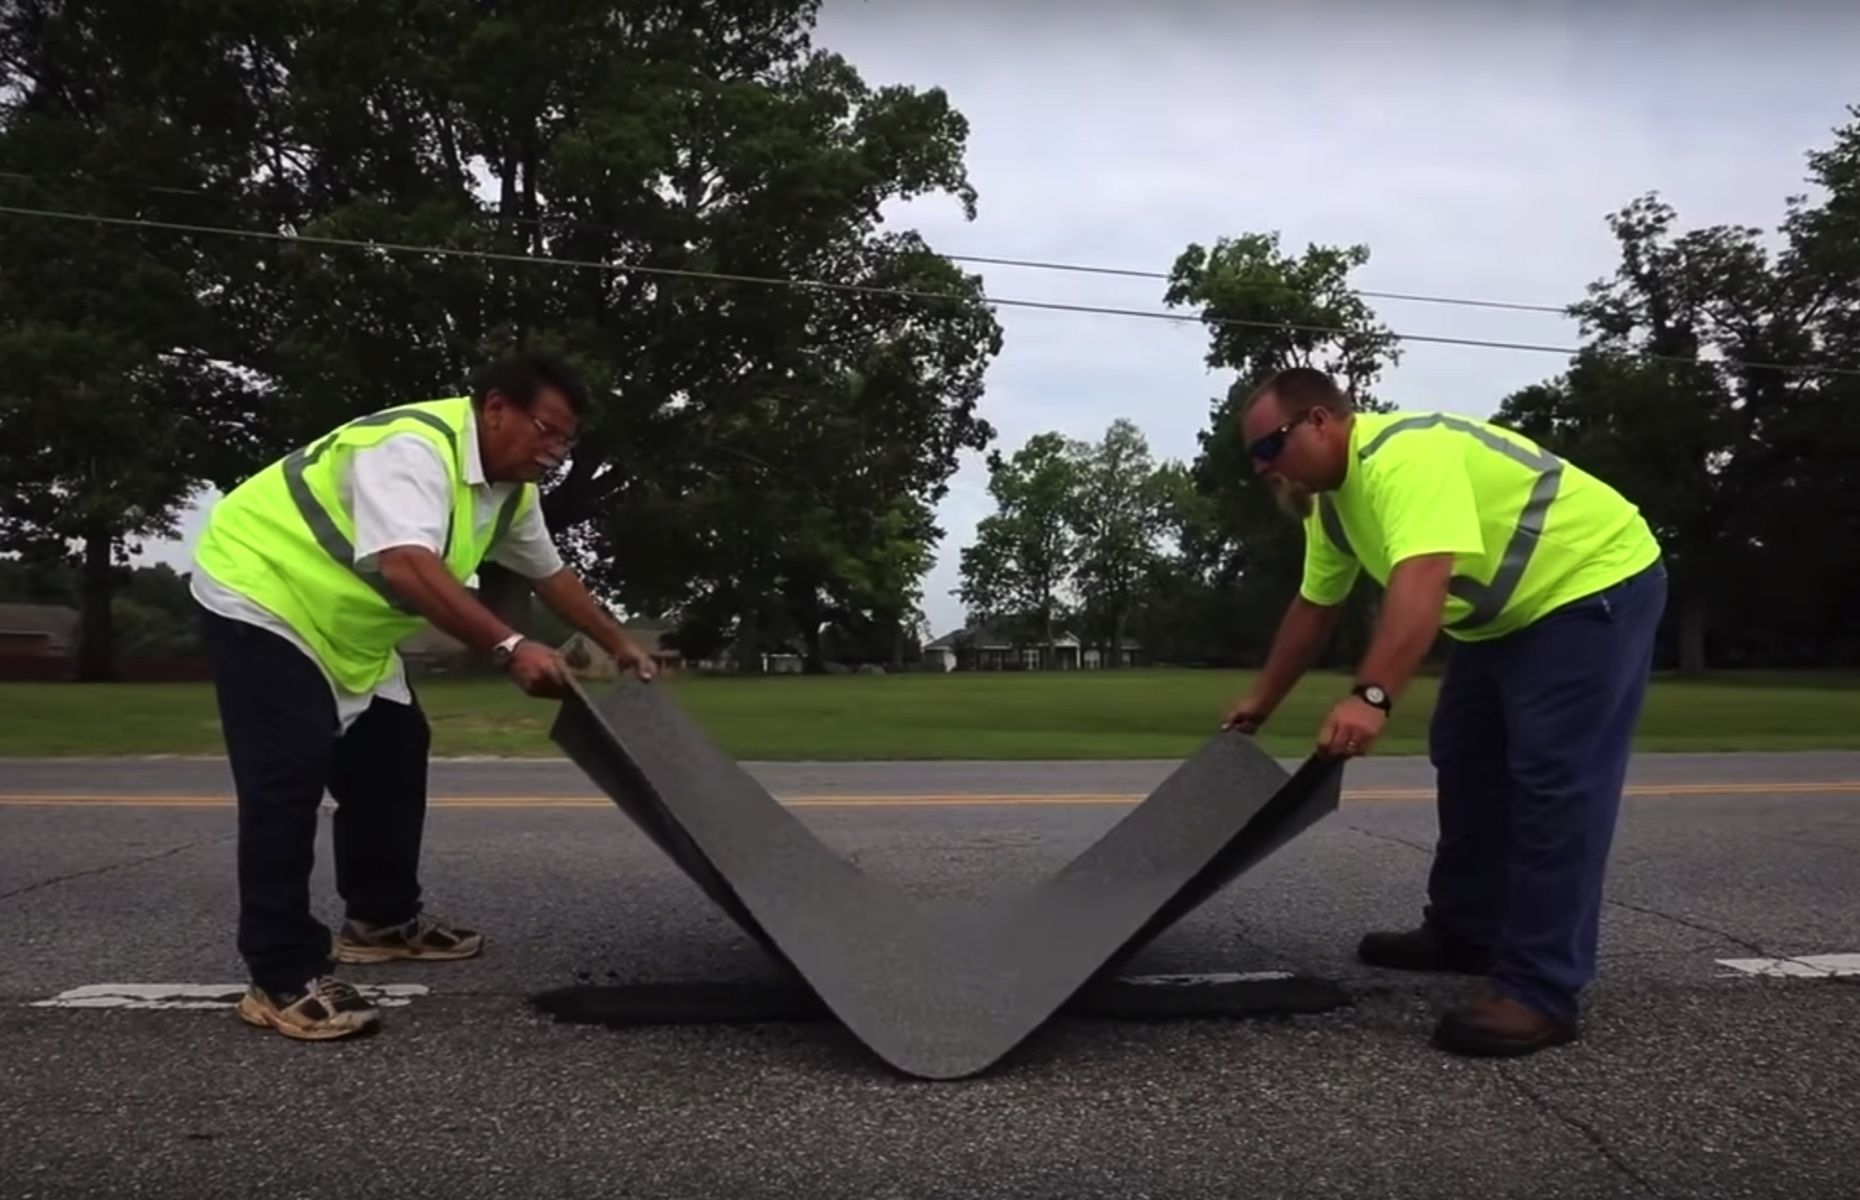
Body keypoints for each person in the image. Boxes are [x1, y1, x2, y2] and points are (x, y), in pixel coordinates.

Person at [190, 352, 656, 1041]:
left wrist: (620, 643)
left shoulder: (509, 490)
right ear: (495, 407)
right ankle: (280, 973)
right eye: (546, 430)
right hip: (263, 596)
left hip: (349, 630)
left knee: (395, 749)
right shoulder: (411, 449)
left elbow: (550, 575)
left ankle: (380, 920)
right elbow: (407, 564)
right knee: (286, 781)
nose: (555, 452)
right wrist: (507, 647)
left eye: (567, 440)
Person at [1222, 367, 1666, 1057]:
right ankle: (1467, 930)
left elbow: (1421, 578)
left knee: (1554, 783)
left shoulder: (1403, 455)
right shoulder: (1333, 507)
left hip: (1590, 586)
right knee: (1464, 758)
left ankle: (1540, 991)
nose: (1263, 467)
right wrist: (1260, 703)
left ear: (1318, 421)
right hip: (1501, 622)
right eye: (1255, 457)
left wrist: (1372, 695)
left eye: (1269, 447)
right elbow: (1315, 607)